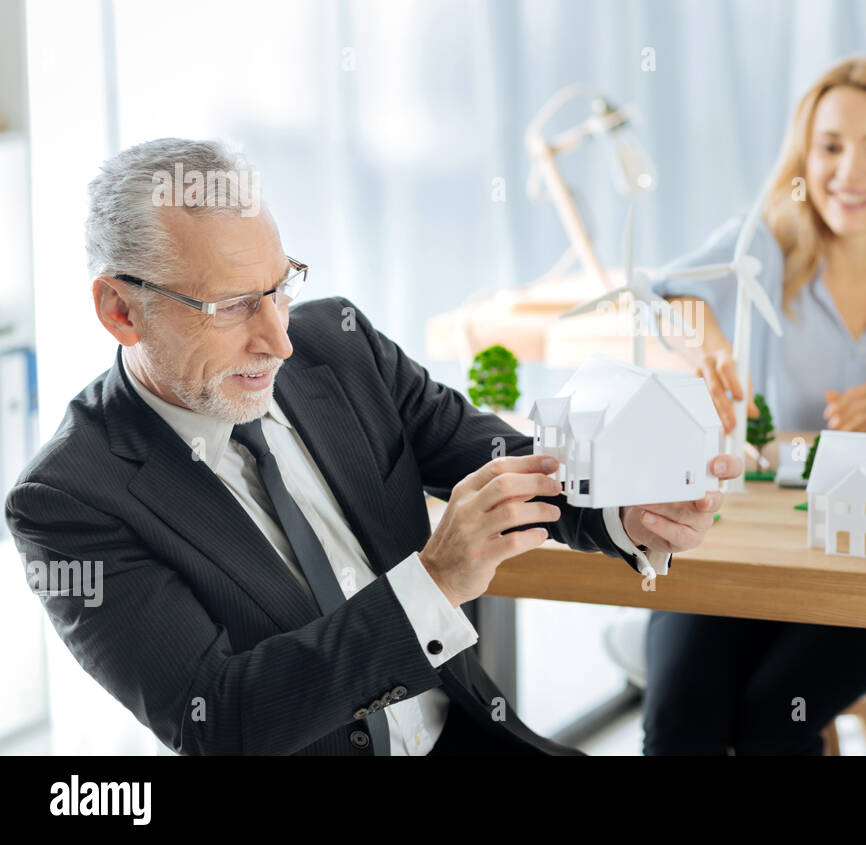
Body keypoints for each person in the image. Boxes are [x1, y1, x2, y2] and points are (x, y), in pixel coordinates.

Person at [6, 137, 741, 756]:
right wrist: (436, 578)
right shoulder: (68, 501)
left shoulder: (338, 345)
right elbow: (223, 719)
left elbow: (495, 459)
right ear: (119, 309)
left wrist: (622, 510)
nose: (277, 339)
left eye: (278, 287)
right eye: (230, 306)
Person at [641, 55, 866, 754]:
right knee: (681, 720)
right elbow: (664, 296)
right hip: (739, 550)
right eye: (829, 146)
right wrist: (699, 337)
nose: (848, 172)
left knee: (774, 719)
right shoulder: (758, 247)